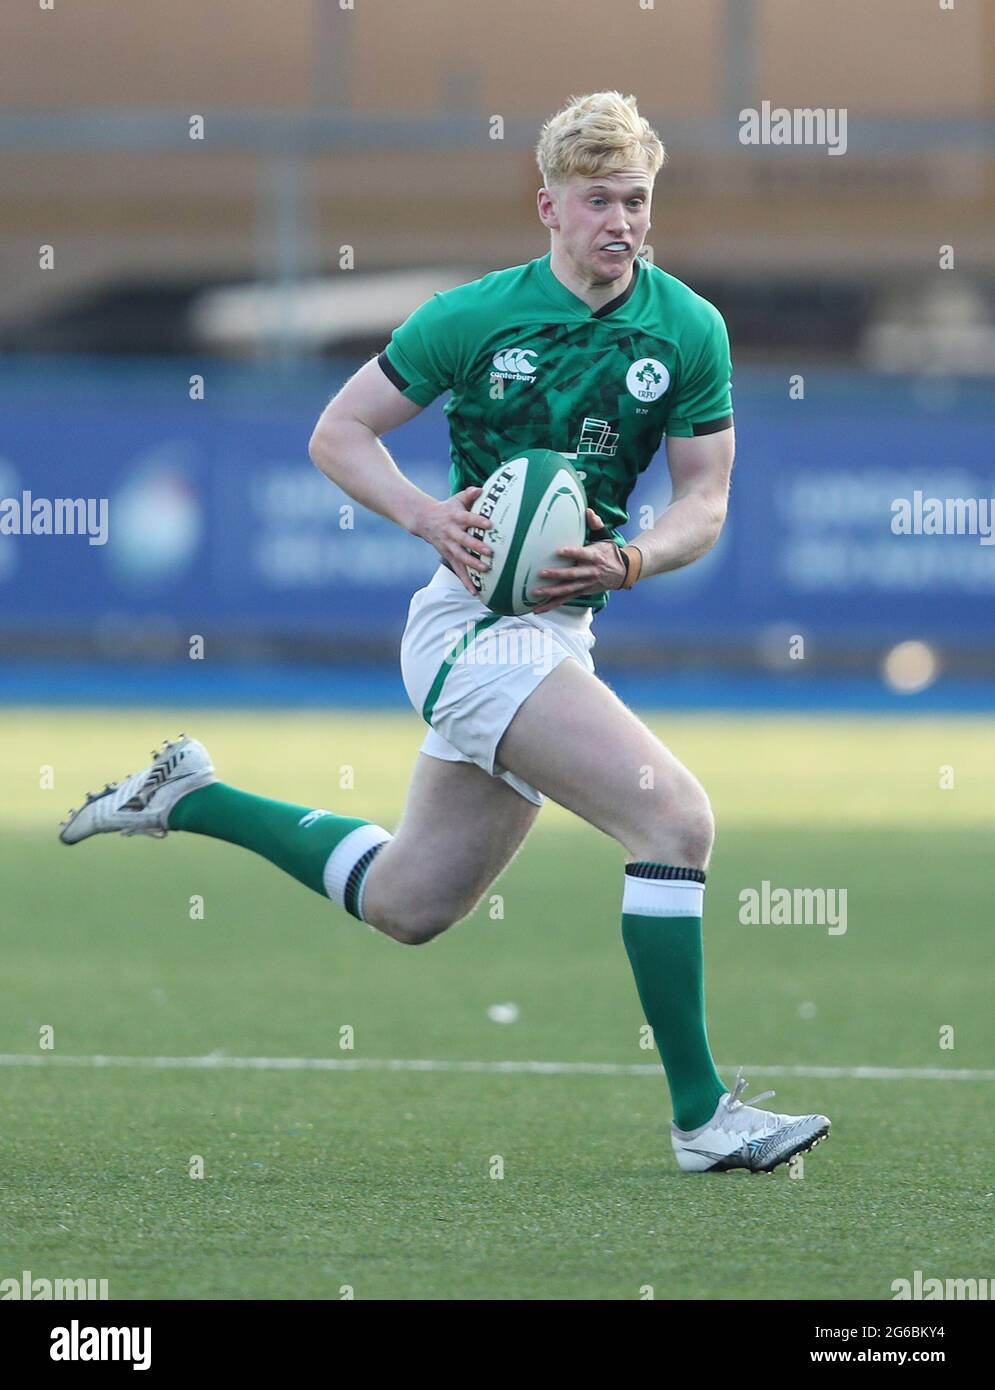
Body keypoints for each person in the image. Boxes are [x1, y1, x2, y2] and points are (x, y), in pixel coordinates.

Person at [60, 92, 829, 1174]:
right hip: (470, 630)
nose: (622, 221)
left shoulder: (686, 328)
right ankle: (702, 1118)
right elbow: (338, 433)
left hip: (560, 634)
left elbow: (705, 501)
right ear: (547, 206)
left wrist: (628, 557)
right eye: (599, 200)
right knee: (675, 822)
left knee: (409, 902)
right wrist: (426, 515)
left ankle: (192, 796)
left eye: (638, 201)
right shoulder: (470, 317)